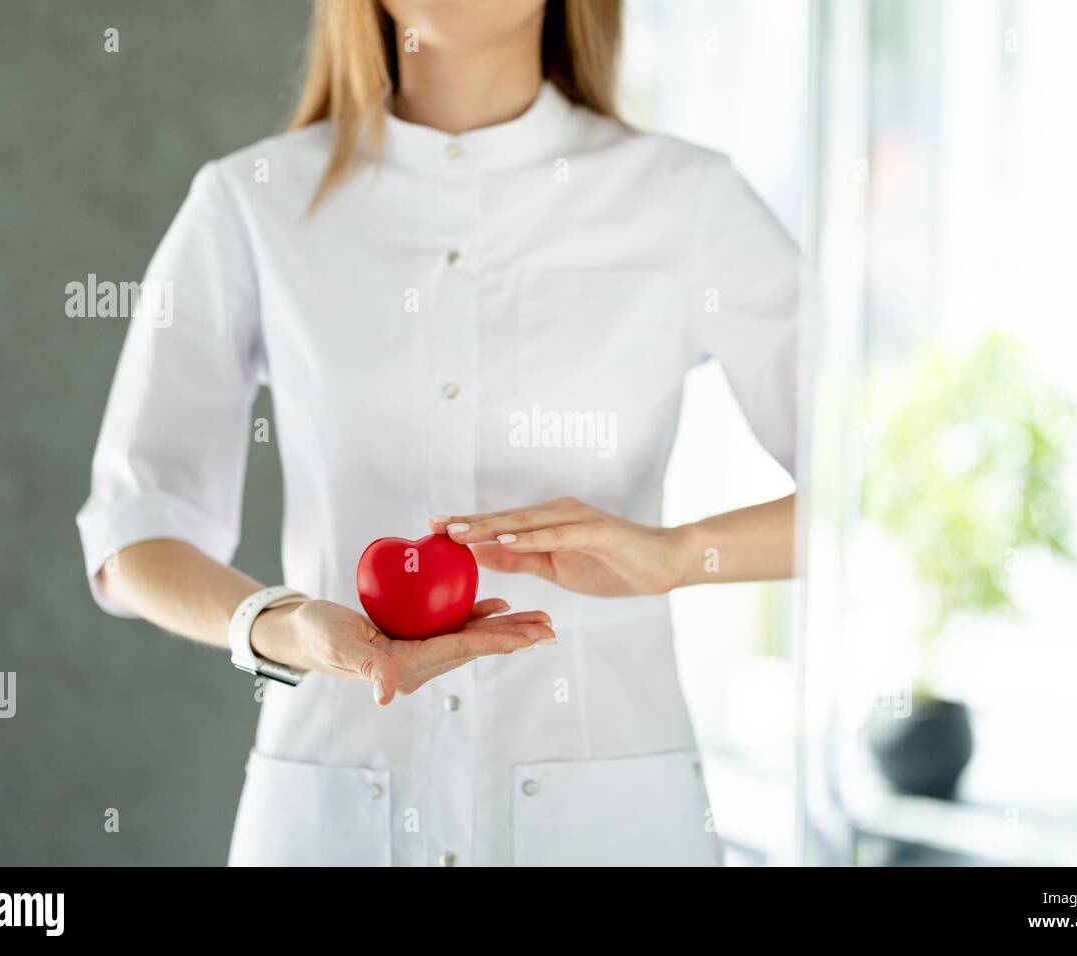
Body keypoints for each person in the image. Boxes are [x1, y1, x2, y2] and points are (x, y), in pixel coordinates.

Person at [77, 0, 805, 866]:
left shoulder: (686, 198)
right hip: (334, 802)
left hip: (608, 819)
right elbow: (132, 534)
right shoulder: (249, 203)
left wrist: (679, 554)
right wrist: (279, 625)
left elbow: (867, 486)